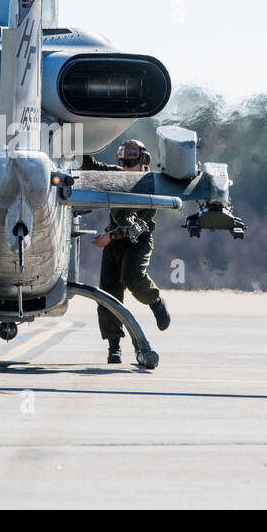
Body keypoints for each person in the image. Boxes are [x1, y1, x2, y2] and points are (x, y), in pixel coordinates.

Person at [82, 139, 172, 364]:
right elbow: (91, 166)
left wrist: (108, 237)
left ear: (143, 162)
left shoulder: (149, 183)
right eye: (122, 162)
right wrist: (78, 143)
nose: (125, 168)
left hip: (137, 241)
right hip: (113, 242)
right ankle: (114, 347)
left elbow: (135, 226)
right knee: (108, 294)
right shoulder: (116, 174)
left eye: (130, 163)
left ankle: (155, 302)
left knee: (133, 278)